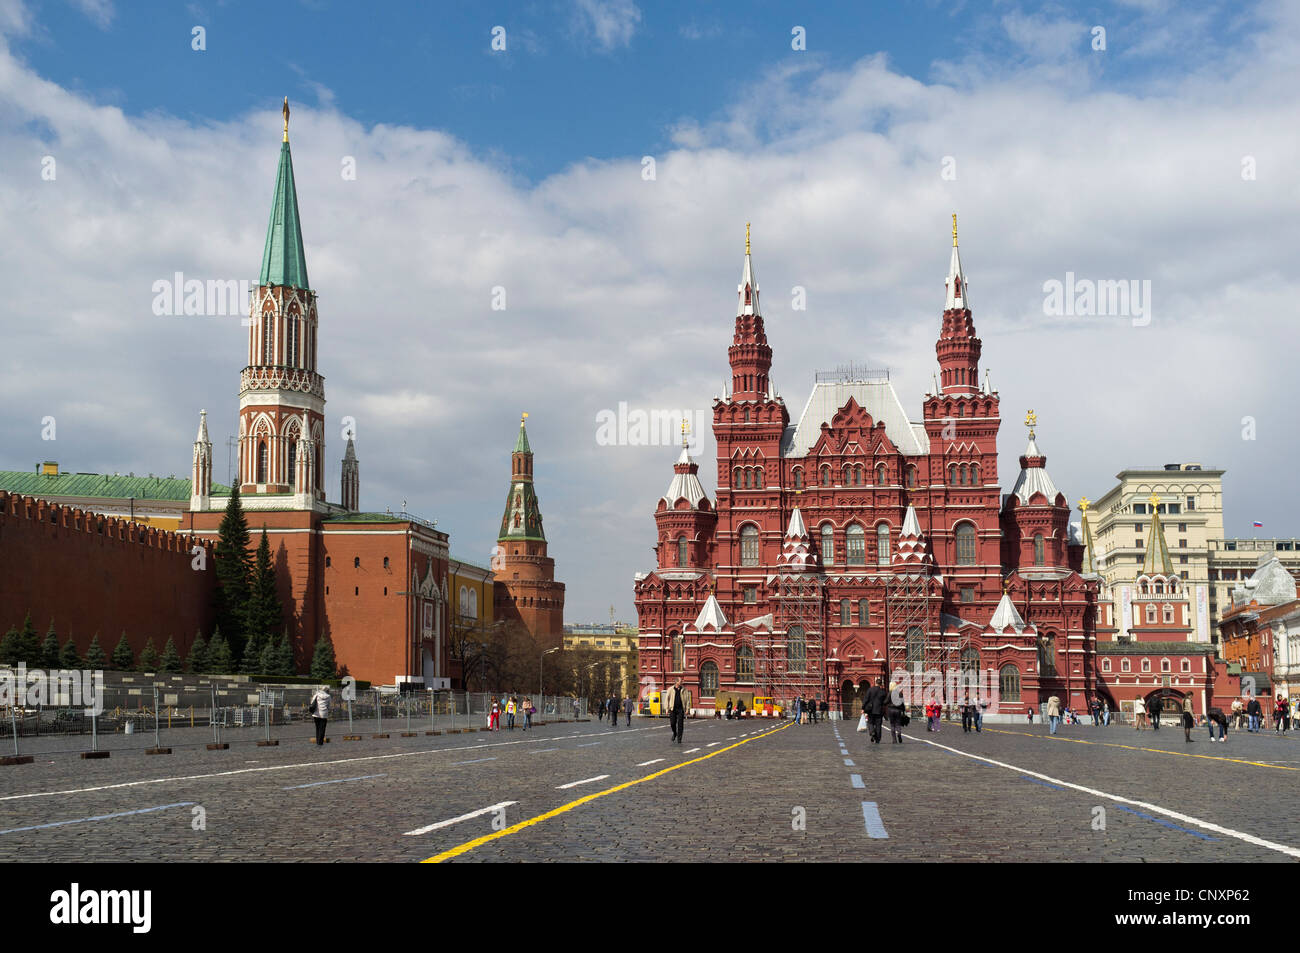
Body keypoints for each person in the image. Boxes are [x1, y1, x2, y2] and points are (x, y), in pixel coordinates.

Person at [862, 680, 887, 744]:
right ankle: (877, 739)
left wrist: (863, 708)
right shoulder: (883, 691)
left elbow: (866, 699)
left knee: (870, 722)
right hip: (879, 710)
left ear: (875, 683)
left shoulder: (870, 690)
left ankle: (872, 732)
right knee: (878, 725)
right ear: (881, 684)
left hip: (871, 710)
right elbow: (885, 701)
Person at [665, 677, 686, 743]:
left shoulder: (684, 689)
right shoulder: (670, 689)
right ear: (676, 682)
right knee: (672, 723)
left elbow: (687, 699)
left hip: (680, 709)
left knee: (680, 724)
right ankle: (675, 733)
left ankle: (679, 739)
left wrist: (687, 708)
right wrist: (666, 708)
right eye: (680, 681)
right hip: (672, 709)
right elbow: (667, 699)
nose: (681, 682)